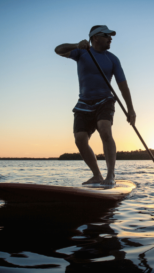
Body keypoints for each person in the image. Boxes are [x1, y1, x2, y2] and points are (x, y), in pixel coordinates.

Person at [54, 25, 136, 185]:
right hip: (83, 103)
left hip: (105, 101)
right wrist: (76, 45)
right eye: (107, 35)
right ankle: (97, 175)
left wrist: (130, 109)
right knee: (80, 139)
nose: (110, 38)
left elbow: (123, 86)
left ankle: (110, 175)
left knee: (105, 130)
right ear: (95, 38)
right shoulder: (82, 52)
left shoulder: (112, 59)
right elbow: (58, 49)